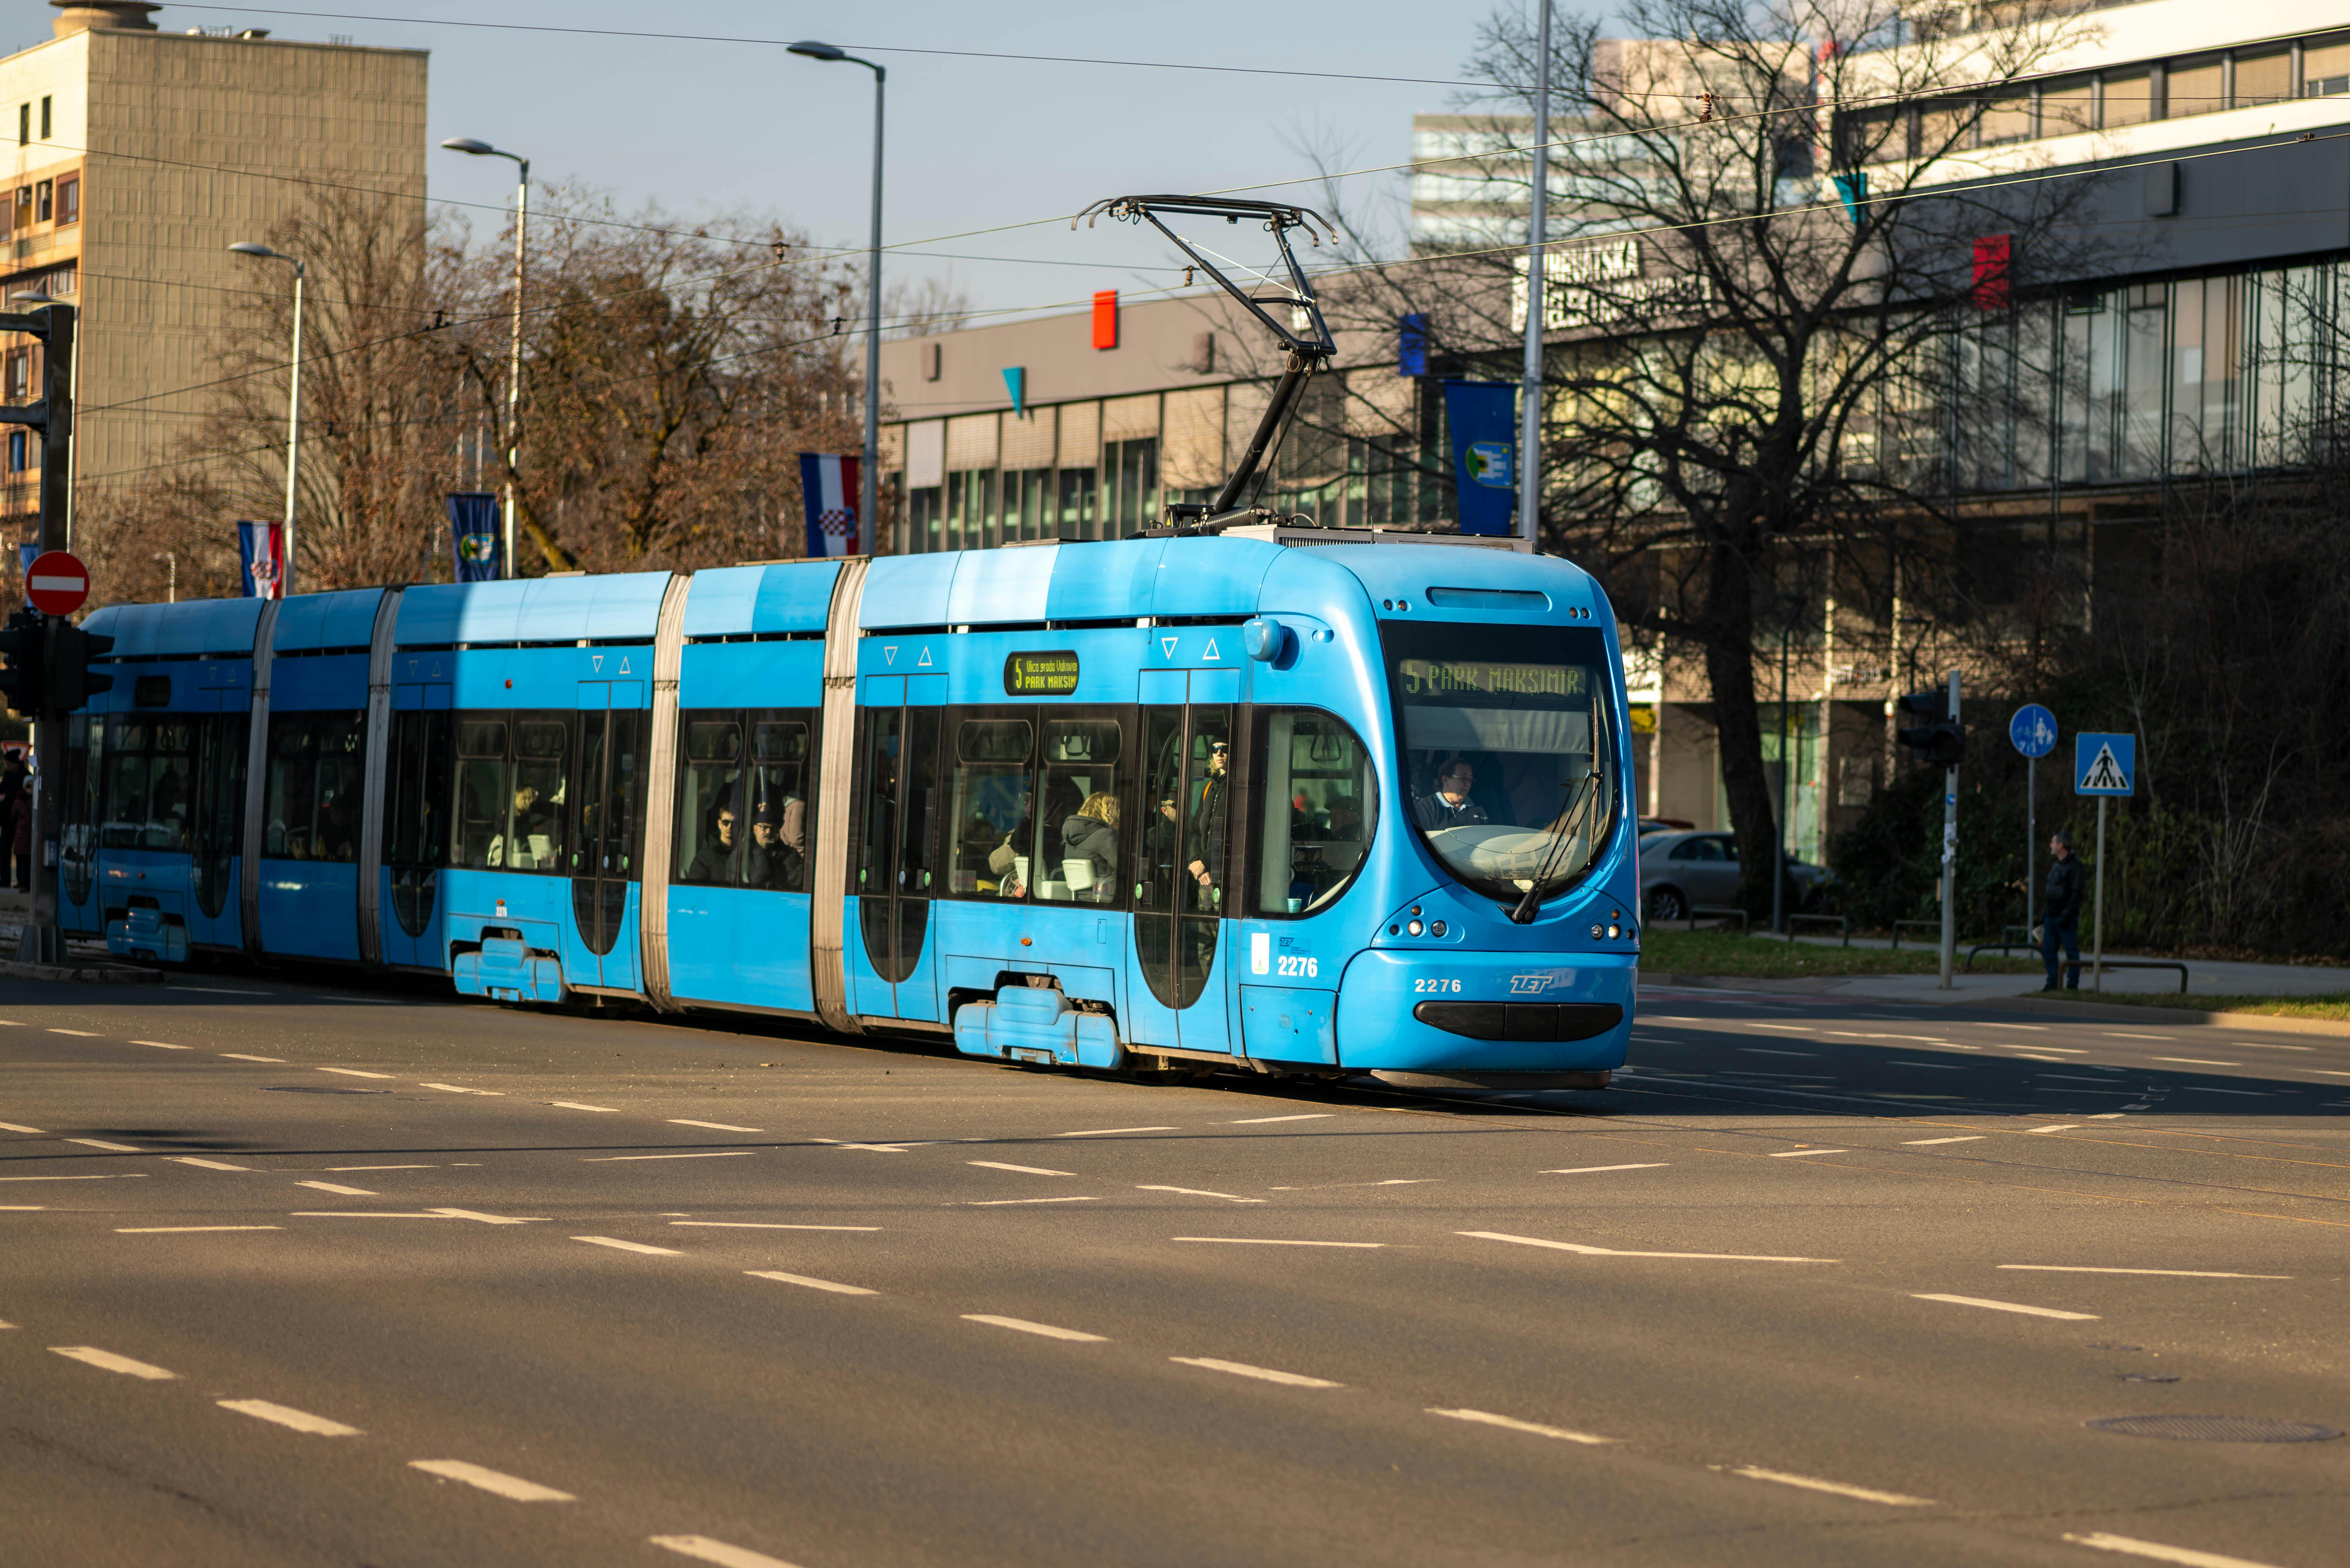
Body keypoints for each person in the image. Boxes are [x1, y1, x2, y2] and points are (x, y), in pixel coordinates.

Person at [1185, 737, 1229, 907]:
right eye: (1215, 748)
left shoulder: (1239, 788)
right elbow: (1196, 830)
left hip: (1227, 877)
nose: (1219, 753)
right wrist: (1197, 861)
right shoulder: (1208, 789)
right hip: (1205, 877)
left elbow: (1234, 835)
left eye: (1224, 748)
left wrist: (1205, 862)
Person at [2041, 830, 2086, 991]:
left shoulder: (2075, 867)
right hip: (2051, 916)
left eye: (2053, 842)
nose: (2051, 846)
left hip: (2066, 917)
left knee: (2071, 951)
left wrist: (2067, 914)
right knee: (2048, 951)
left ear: (2061, 846)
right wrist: (2045, 913)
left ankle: (2073, 984)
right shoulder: (2056, 865)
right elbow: (2050, 890)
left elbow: (2077, 894)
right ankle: (2053, 981)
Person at [1061, 791, 1118, 900]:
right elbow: (1125, 868)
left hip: (1080, 897)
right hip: (1105, 898)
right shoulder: (1103, 835)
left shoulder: (1072, 837)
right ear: (1110, 812)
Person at [1412, 756, 1490, 831]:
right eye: (1463, 778)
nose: (1468, 784)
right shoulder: (1426, 809)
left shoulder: (1479, 807)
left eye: (1471, 780)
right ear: (1445, 780)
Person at [686, 801, 741, 885]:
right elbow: (695, 889)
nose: (730, 827)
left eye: (734, 824)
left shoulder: (745, 854)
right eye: (726, 823)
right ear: (720, 824)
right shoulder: (705, 857)